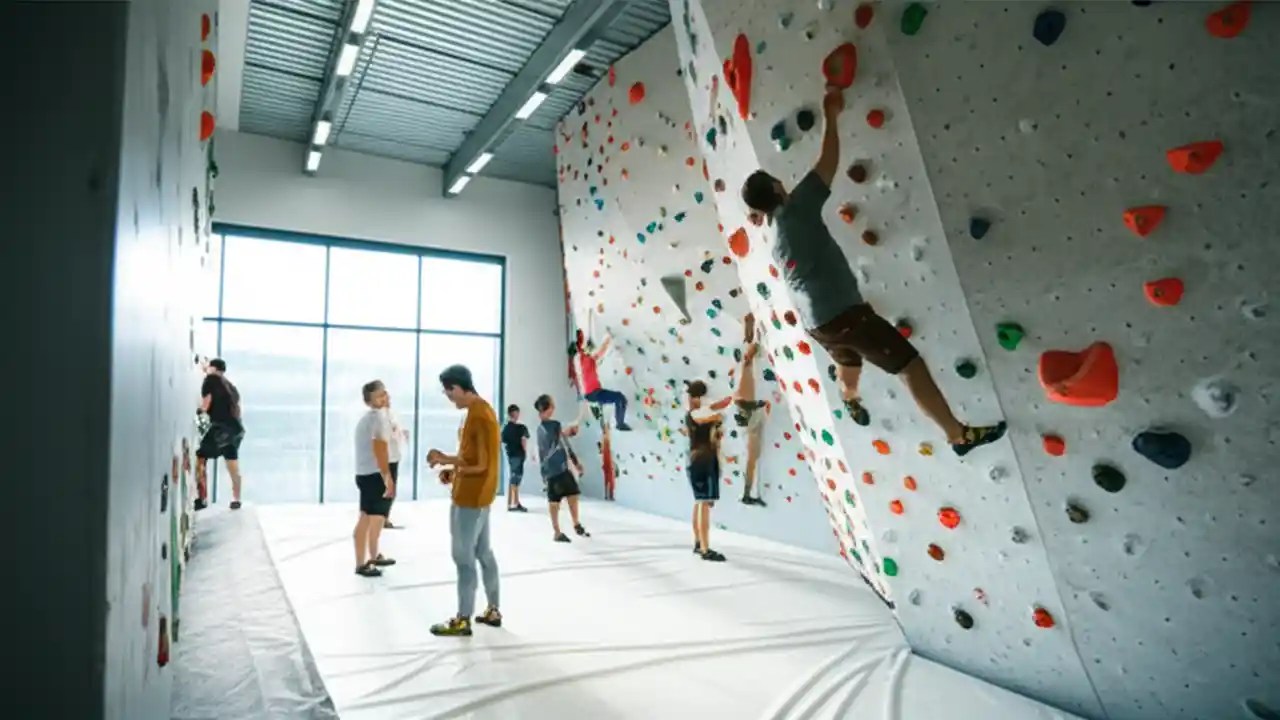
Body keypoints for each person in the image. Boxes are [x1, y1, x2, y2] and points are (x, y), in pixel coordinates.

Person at [740, 86, 1007, 458]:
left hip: (819, 327)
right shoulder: (796, 209)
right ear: (777, 188)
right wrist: (831, 115)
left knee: (848, 356)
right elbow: (828, 161)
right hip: (846, 316)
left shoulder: (774, 233)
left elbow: (769, 212)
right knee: (910, 367)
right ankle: (958, 435)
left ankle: (849, 396)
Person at [427, 365, 501, 637]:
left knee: (463, 558)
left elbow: (480, 464)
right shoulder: (484, 411)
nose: (450, 399)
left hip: (470, 498)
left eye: (450, 393)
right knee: (483, 553)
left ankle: (462, 618)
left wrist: (444, 459)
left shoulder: (478, 415)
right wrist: (454, 469)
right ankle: (493, 609)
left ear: (457, 387)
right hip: (480, 495)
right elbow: (477, 462)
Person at [684, 380, 733, 562]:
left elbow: (713, 411)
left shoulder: (694, 414)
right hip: (703, 461)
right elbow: (713, 415)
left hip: (700, 460)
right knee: (703, 504)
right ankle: (705, 549)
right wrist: (718, 411)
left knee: (699, 502)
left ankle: (699, 543)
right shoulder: (698, 414)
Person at [353, 380, 396, 577]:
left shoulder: (376, 417)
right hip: (373, 474)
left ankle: (373, 555)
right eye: (379, 395)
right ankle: (362, 563)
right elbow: (379, 449)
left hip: (369, 473)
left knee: (376, 518)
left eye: (384, 393)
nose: (384, 397)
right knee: (368, 518)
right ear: (370, 401)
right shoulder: (376, 419)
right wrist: (387, 477)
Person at [534, 394, 590, 543]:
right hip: (557, 469)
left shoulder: (541, 429)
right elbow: (562, 442)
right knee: (558, 500)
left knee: (568, 496)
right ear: (548, 409)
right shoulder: (553, 426)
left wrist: (567, 432)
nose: (554, 408)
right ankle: (561, 531)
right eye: (552, 405)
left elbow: (557, 439)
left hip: (554, 469)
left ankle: (572, 525)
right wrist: (576, 462)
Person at [195, 358, 246, 510]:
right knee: (232, 464)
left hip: (220, 429)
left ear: (213, 368)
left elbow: (206, 405)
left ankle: (201, 498)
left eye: (208, 365)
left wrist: (199, 411)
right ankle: (236, 499)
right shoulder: (230, 386)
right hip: (235, 429)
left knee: (200, 458)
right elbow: (236, 408)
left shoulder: (209, 381)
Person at [733, 314, 770, 506]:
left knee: (752, 456)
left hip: (748, 413)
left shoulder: (745, 367)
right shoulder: (746, 366)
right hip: (749, 414)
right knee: (752, 456)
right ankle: (747, 492)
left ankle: (748, 492)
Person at [571, 329, 632, 431]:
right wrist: (608, 339)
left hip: (591, 393)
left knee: (615, 398)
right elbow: (599, 353)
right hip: (593, 393)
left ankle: (608, 419)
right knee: (620, 398)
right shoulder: (585, 359)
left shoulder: (580, 358)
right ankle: (620, 424)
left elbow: (597, 355)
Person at [383, 393, 408, 529]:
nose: (389, 400)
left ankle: (384, 517)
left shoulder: (390, 414)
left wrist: (401, 433)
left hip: (394, 456)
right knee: (386, 489)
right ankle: (382, 518)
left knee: (391, 489)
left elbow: (395, 431)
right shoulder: (379, 417)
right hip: (385, 457)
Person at [501, 404, 530, 512]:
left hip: (511, 455)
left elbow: (502, 441)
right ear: (516, 413)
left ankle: (511, 503)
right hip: (518, 455)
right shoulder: (521, 428)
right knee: (516, 479)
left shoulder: (505, 429)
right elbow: (524, 441)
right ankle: (515, 503)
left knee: (513, 478)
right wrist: (525, 452)